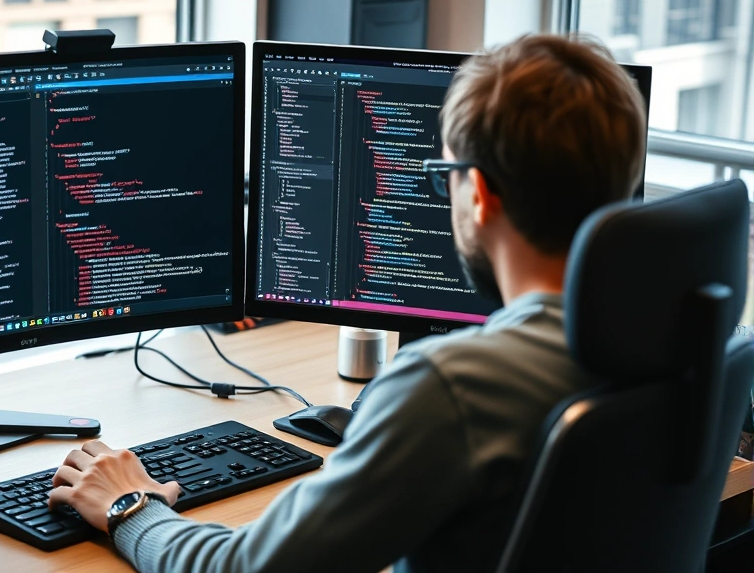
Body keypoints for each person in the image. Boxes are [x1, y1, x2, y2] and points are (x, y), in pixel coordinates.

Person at [47, 33, 648, 573]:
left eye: (444, 178)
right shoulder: (674, 336)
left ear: (480, 195)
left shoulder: (454, 387)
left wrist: (130, 505)